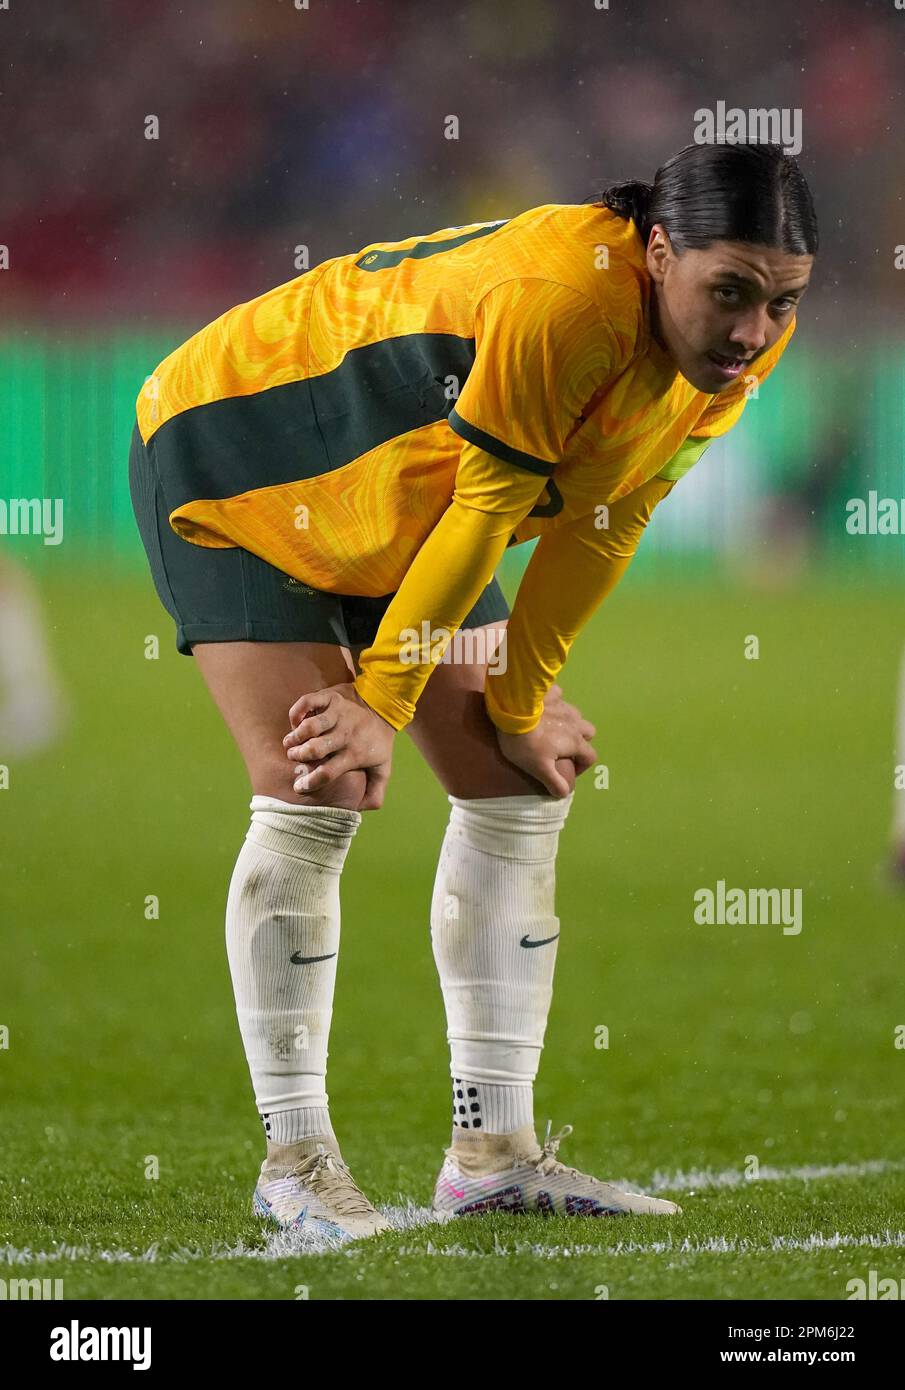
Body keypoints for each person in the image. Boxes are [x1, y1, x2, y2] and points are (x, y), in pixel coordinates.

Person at [128, 140, 817, 1241]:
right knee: (319, 780)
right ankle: (295, 1163)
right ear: (655, 252)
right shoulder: (564, 304)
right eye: (728, 293)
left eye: (780, 303)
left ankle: (490, 1155)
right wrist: (380, 703)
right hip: (243, 443)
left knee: (516, 778)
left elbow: (610, 518)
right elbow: (490, 513)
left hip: (414, 496)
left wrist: (520, 695)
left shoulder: (737, 346)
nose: (750, 332)